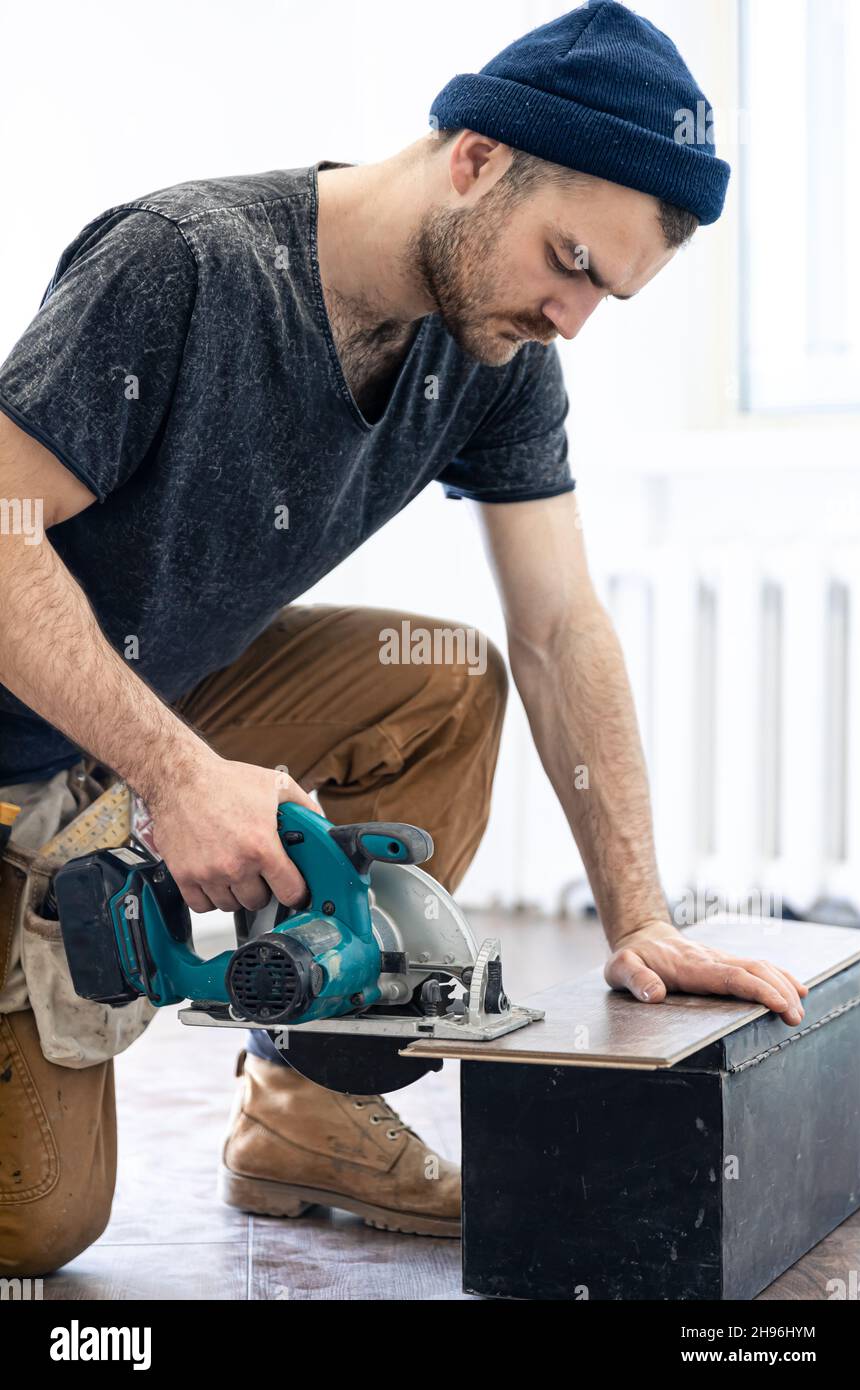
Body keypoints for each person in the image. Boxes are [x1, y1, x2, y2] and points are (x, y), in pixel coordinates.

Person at [0, 1, 806, 1275]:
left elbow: (555, 625)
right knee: (39, 1228)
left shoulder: (494, 351)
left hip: (131, 716)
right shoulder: (186, 263)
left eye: (609, 293)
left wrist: (638, 918)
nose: (573, 315)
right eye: (569, 262)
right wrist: (179, 776)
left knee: (437, 681)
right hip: (23, 727)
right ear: (476, 158)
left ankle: (306, 1104)